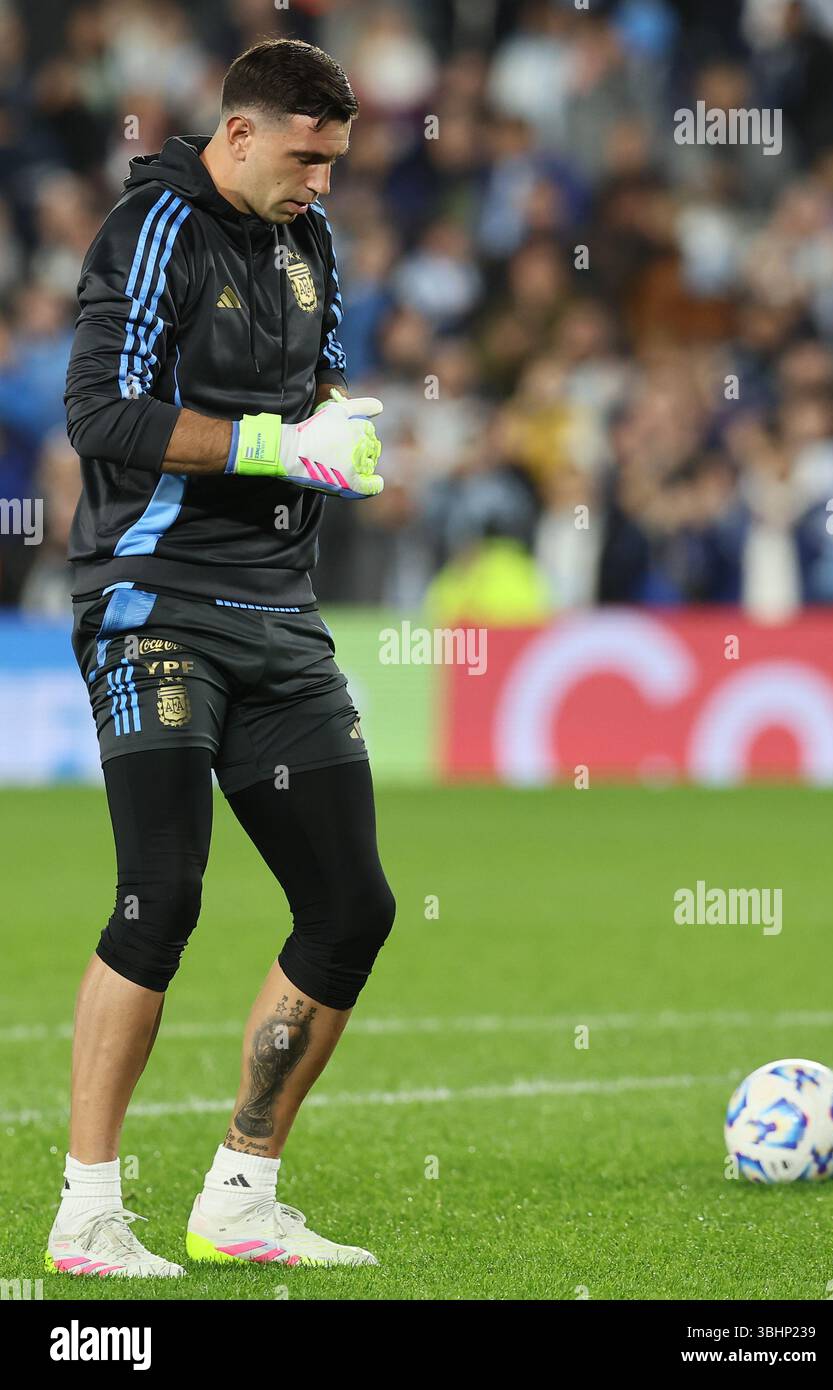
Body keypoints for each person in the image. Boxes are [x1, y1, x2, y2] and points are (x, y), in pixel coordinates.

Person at [47, 38, 396, 1278]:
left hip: (277, 613)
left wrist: (340, 431)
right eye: (305, 156)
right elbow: (98, 412)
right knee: (161, 896)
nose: (320, 182)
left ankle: (240, 1191)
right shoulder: (153, 228)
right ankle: (87, 1211)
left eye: (335, 161)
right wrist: (268, 448)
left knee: (352, 905)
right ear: (237, 134)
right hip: (156, 600)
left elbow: (320, 384)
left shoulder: (309, 242)